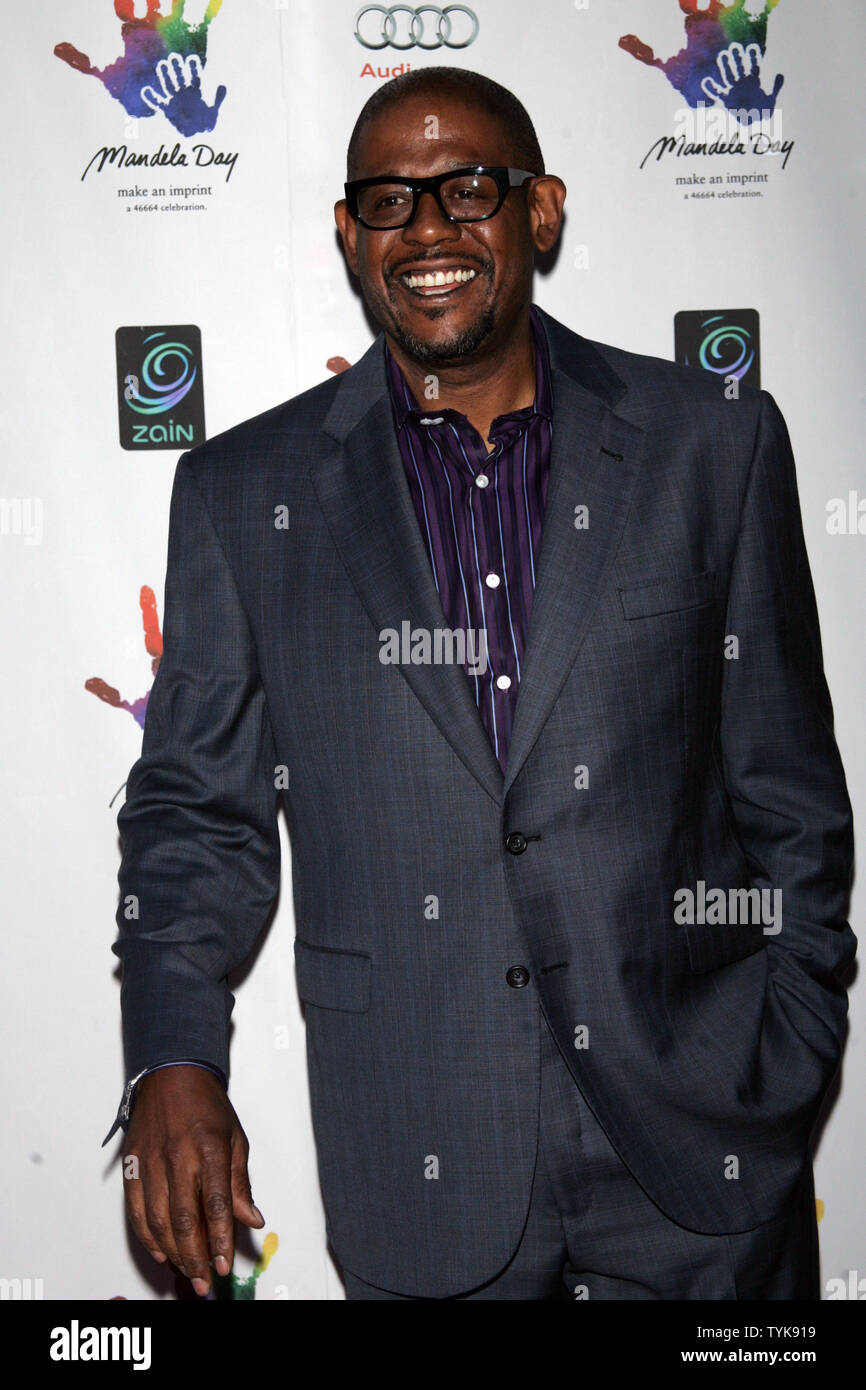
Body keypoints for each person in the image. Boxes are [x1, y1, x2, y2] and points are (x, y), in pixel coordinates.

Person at [104, 67, 855, 1300]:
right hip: (417, 1150)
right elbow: (196, 811)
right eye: (389, 203)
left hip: (704, 1146)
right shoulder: (247, 494)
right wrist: (175, 1059)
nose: (429, 230)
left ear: (539, 212)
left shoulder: (710, 443)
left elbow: (786, 788)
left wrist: (786, 1036)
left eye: (468, 190)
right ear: (349, 236)